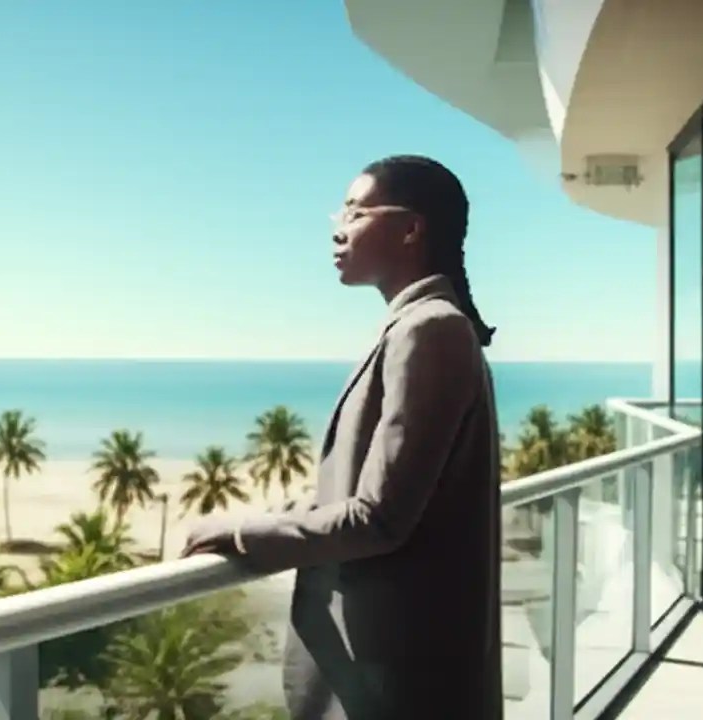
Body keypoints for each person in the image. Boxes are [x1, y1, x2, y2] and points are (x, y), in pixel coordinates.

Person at [182, 154, 503, 719]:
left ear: (410, 229)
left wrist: (239, 532)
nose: (339, 227)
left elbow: (379, 518)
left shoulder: (429, 330)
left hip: (394, 681)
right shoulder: (421, 327)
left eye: (355, 211)